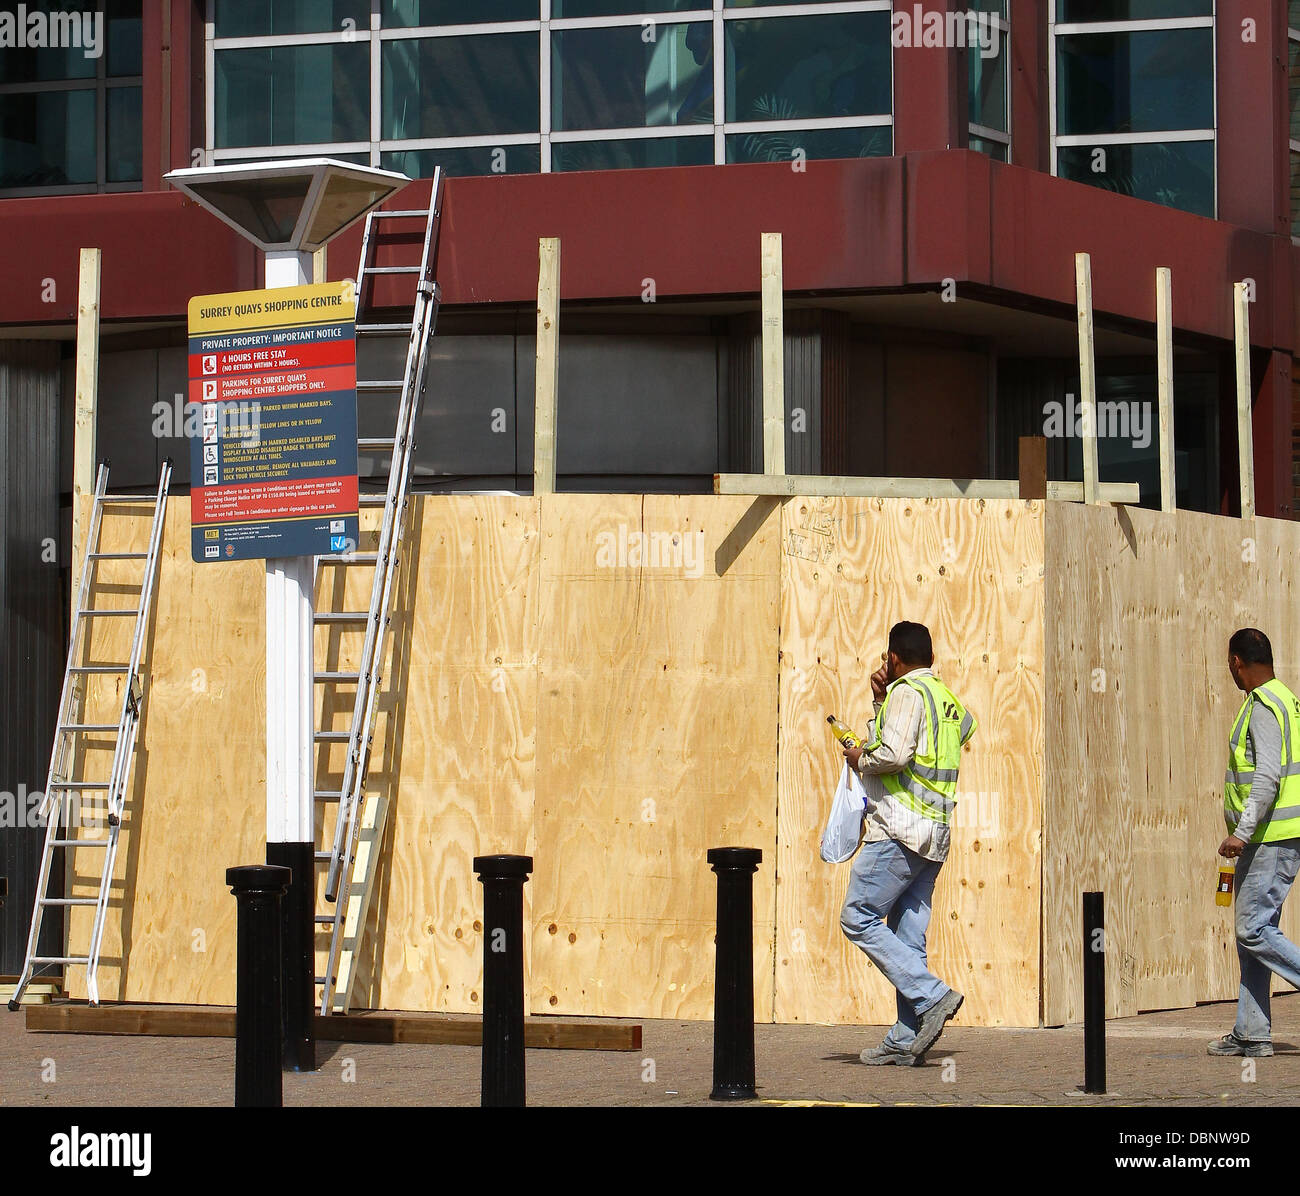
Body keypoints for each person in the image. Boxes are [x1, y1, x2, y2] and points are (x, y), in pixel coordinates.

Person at [840, 620, 976, 1065]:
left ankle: (931, 995)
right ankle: (906, 1035)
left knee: (857, 917)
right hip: (935, 835)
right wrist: (882, 701)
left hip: (899, 831)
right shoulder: (946, 699)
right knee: (906, 933)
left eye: (888, 660)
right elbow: (965, 726)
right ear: (931, 659)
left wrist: (861, 756)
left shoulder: (906, 694)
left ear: (893, 659)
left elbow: (892, 754)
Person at [1208, 627, 1300, 1058]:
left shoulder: (1263, 706)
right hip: (1277, 835)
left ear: (1236, 662)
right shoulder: (1287, 699)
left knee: (1252, 929)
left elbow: (1266, 778)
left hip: (1268, 837)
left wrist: (1241, 832)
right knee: (1253, 935)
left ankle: (1251, 1031)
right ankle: (1251, 1032)